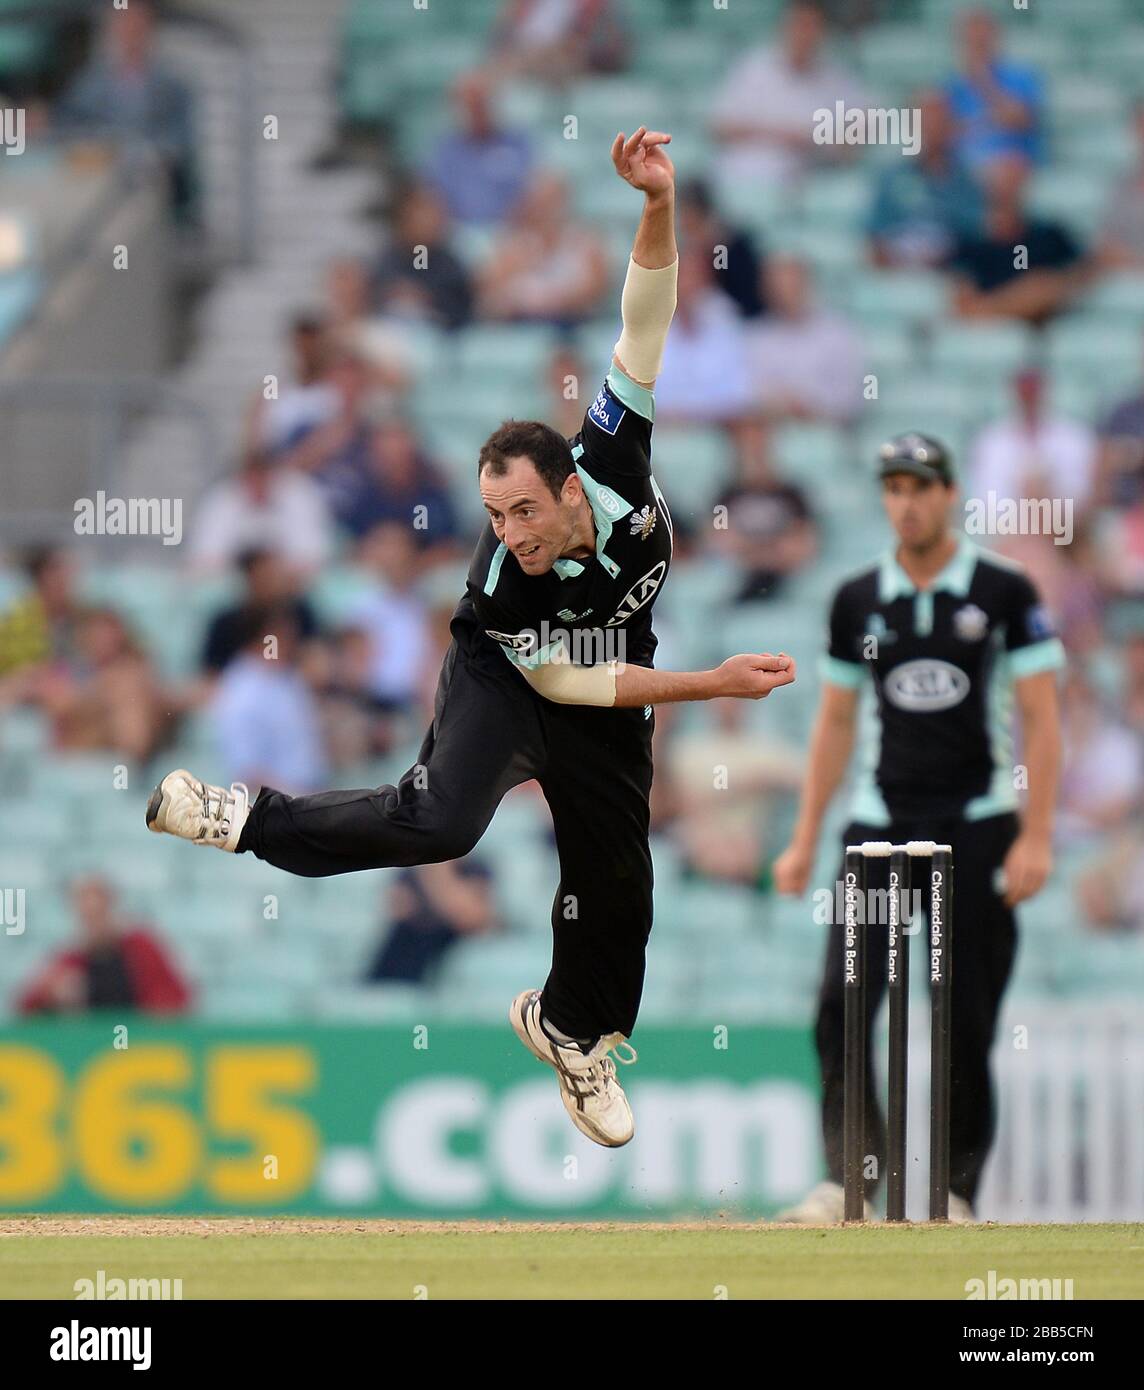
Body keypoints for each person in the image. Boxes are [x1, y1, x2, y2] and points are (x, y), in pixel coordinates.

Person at [147, 127, 797, 1149]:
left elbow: (646, 314)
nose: (511, 534)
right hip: (516, 676)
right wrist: (709, 682)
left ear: (567, 486)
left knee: (619, 879)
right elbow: (575, 689)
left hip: (608, 670)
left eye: (525, 512)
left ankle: (572, 1033)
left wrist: (658, 205)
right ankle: (244, 816)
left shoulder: (616, 453)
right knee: (441, 823)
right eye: (495, 517)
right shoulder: (505, 587)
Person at [773, 432, 1064, 1223]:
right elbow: (835, 721)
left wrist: (1035, 836)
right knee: (840, 1003)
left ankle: (956, 1192)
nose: (906, 503)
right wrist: (804, 839)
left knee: (960, 1018)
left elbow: (1041, 719)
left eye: (920, 487)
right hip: (876, 831)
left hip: (975, 826)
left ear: (949, 494)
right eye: (893, 488)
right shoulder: (857, 599)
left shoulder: (1003, 592)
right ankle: (850, 1182)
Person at [17, 875, 191, 1015]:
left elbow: (178, 999)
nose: (94, 922)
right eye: (87, 916)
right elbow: (27, 1009)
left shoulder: (142, 949)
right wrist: (52, 998)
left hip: (140, 1047)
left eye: (99, 913)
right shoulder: (69, 962)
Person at [944, 8, 1044, 174]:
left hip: (1013, 168)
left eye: (982, 39)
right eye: (970, 40)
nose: (977, 46)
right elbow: (947, 132)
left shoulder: (1022, 76)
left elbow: (1021, 120)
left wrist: (983, 80)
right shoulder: (951, 84)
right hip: (964, 172)